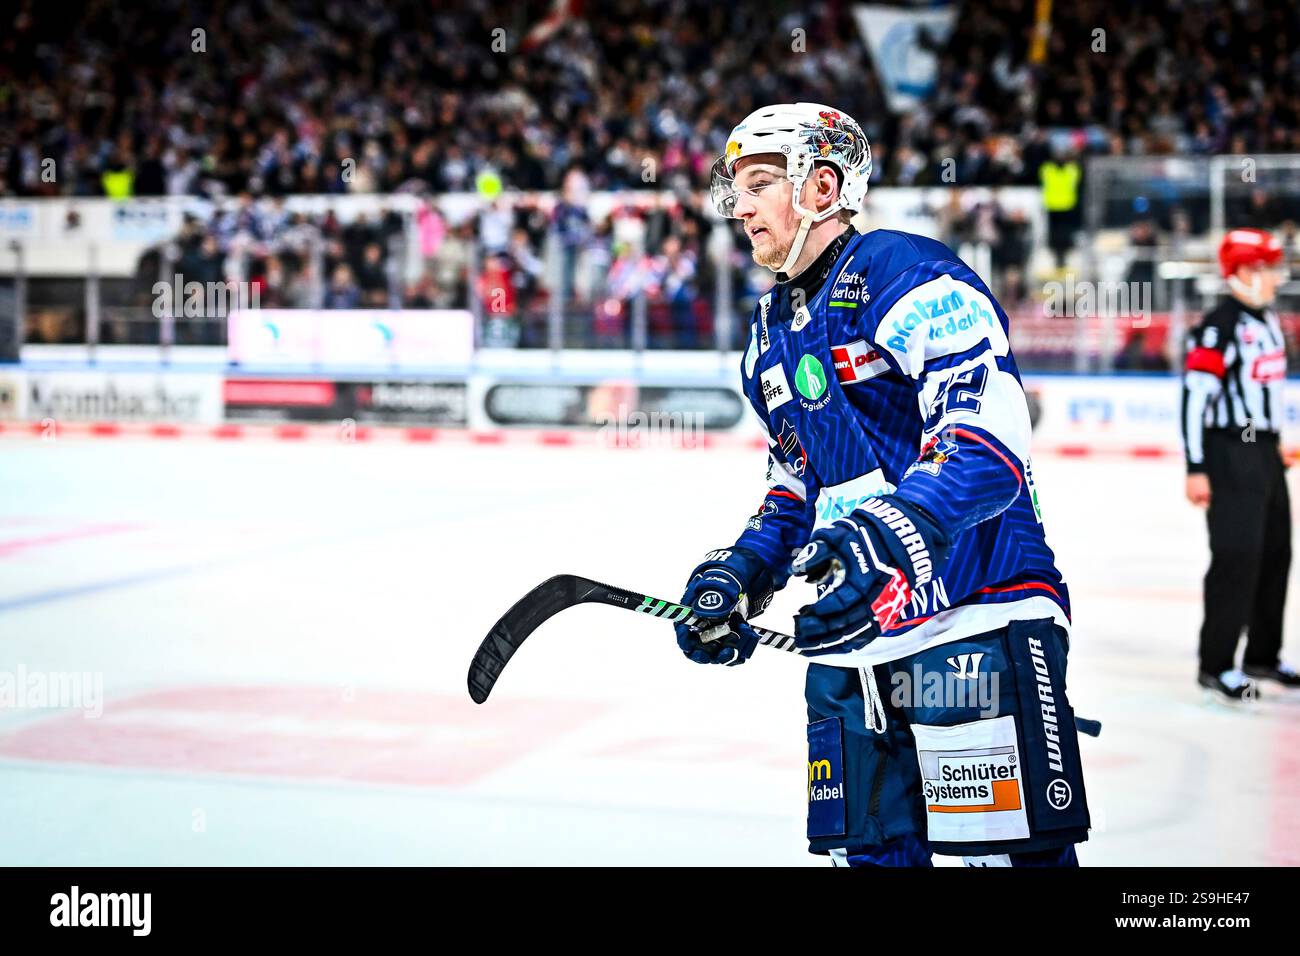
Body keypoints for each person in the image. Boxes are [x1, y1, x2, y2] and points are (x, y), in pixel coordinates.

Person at [672, 104, 1091, 867]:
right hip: (855, 635)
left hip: (975, 617)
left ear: (822, 185)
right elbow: (795, 487)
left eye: (760, 182)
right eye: (734, 187)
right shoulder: (766, 333)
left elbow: (988, 442)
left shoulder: (905, 271)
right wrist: (743, 571)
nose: (740, 205)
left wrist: (890, 534)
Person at [1182, 227, 1299, 701]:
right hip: (1228, 454)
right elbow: (1194, 398)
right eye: (1267, 267)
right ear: (1243, 272)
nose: (1276, 276)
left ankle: (1263, 656)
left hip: (1265, 454)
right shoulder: (1220, 325)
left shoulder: (1268, 320)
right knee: (1236, 556)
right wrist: (1195, 466)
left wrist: (1275, 441)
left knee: (1276, 553)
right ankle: (1216, 663)